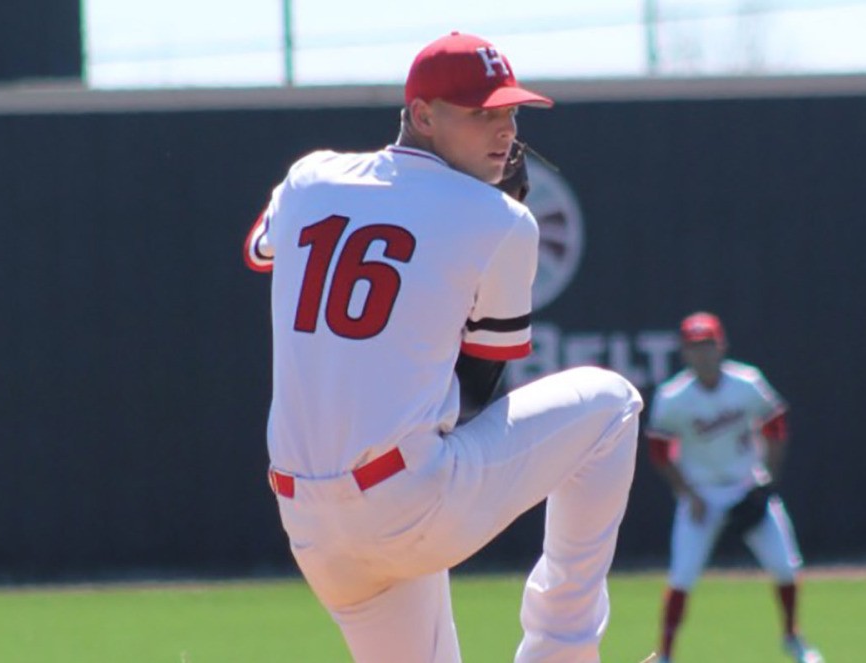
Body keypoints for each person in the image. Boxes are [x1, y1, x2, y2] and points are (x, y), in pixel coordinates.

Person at [243, 31, 643, 663]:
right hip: (409, 504)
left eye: (509, 111)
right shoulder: (499, 219)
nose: (504, 130)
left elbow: (260, 252)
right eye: (481, 113)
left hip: (311, 526)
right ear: (423, 115)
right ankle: (562, 650)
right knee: (612, 405)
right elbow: (481, 387)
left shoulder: (308, 176)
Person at [643, 312, 824, 663]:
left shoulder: (746, 383)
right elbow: (659, 453)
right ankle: (665, 654)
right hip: (702, 494)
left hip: (746, 486)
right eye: (695, 347)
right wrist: (687, 494)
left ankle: (792, 637)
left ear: (721, 345)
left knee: (786, 567)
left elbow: (776, 424)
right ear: (684, 352)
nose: (703, 354)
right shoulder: (672, 397)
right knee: (682, 577)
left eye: (708, 345)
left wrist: (768, 478)